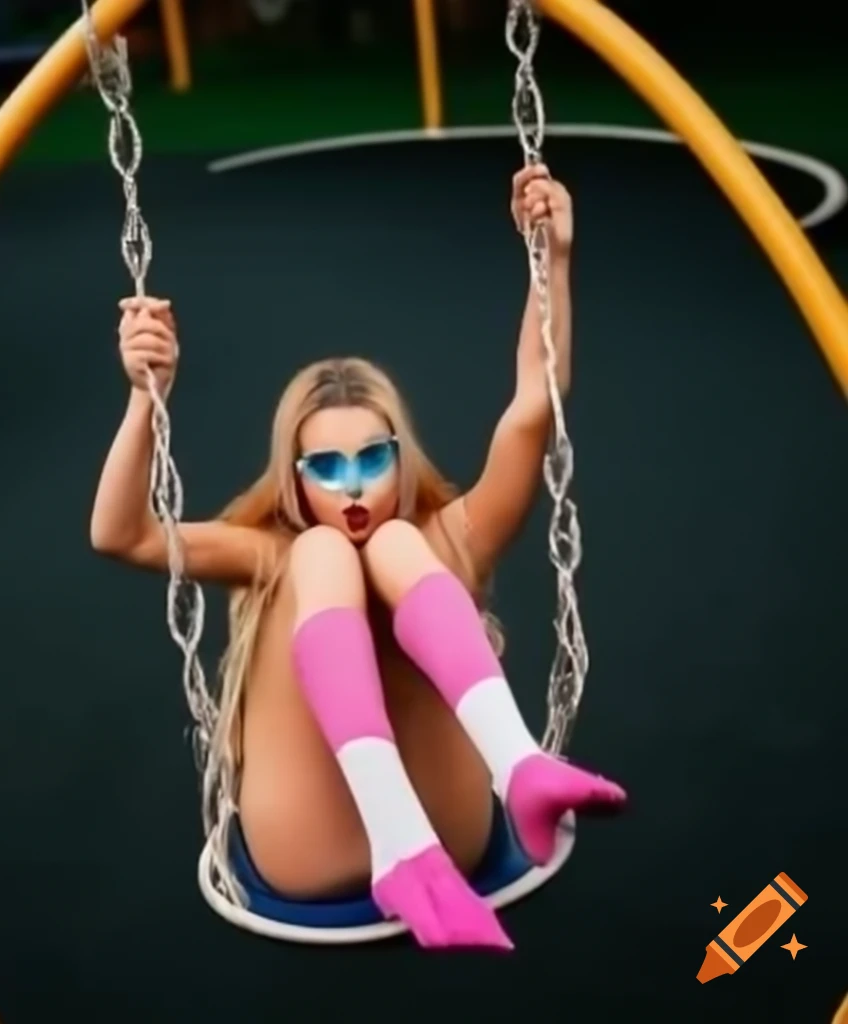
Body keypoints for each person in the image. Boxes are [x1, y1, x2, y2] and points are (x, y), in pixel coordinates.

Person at [90, 164, 627, 951]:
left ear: (401, 458)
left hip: (452, 836)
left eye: (372, 459)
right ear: (293, 477)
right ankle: (398, 834)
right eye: (325, 467)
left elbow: (532, 404)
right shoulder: (273, 553)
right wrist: (145, 398)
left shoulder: (448, 535)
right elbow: (122, 534)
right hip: (309, 849)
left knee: (399, 543)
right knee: (318, 555)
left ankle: (516, 770)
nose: (351, 487)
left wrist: (552, 259)